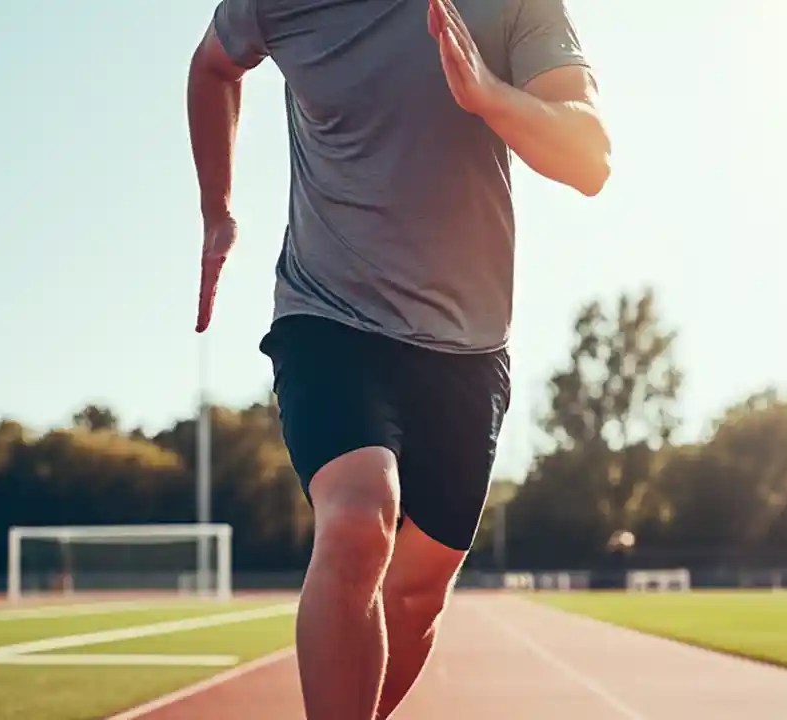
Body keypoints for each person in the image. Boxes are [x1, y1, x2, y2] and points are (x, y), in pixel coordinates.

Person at [187, 0, 609, 716]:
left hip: (467, 345)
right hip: (329, 314)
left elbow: (589, 157)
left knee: (414, 597)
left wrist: (489, 97)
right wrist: (217, 207)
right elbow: (213, 66)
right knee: (358, 517)